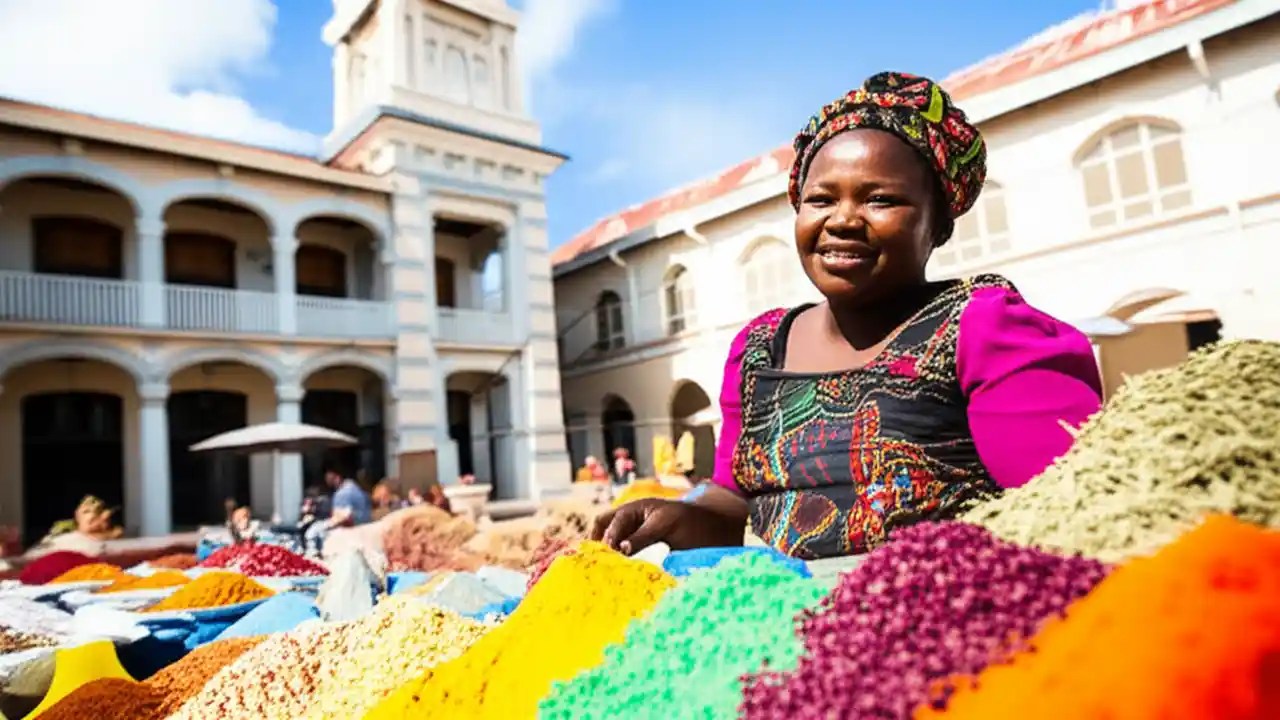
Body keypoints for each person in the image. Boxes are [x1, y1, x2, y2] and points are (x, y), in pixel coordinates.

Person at [593, 72, 1103, 560]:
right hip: (794, 632)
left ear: (940, 224)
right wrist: (676, 517)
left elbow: (1069, 509)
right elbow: (732, 501)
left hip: (952, 626)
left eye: (880, 199)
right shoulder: (760, 347)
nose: (842, 220)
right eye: (820, 199)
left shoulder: (986, 327)